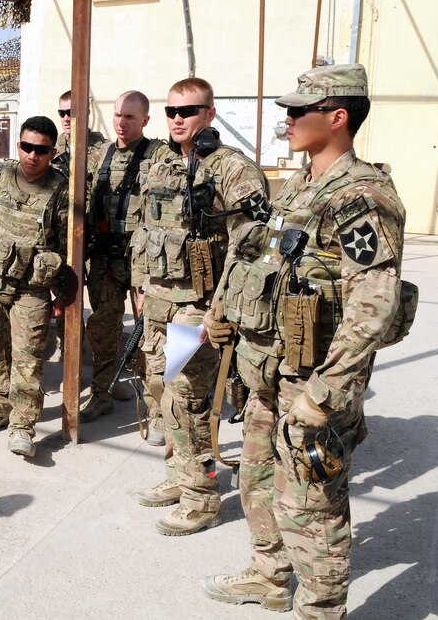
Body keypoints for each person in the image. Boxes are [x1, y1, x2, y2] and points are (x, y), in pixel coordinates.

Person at [201, 64, 407, 617]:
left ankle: (320, 609)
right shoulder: (299, 183)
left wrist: (327, 391)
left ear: (337, 118)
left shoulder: (363, 195)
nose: (286, 119)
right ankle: (270, 576)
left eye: (298, 111)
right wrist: (226, 314)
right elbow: (261, 257)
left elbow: (374, 304)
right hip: (267, 368)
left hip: (313, 381)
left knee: (314, 503)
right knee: (257, 478)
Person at [130, 77, 268, 535]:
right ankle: (180, 475)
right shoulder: (161, 165)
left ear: (209, 113)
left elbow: (250, 248)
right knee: (158, 388)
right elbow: (144, 233)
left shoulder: (232, 169)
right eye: (170, 111)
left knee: (186, 397)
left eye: (186, 111)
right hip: (159, 301)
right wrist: (141, 289)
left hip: (201, 305)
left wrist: (220, 311)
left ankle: (201, 497)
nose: (177, 119)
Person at [0, 116, 69, 458]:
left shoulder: (61, 190)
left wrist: (62, 294)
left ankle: (23, 425)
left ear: (52, 152)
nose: (32, 155)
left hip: (31, 289)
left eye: (41, 149)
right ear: (17, 145)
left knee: (28, 357)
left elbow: (68, 246)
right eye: (26, 146)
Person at [78, 91, 165, 423]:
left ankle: (155, 404)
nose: (121, 122)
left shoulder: (159, 156)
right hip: (104, 258)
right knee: (103, 328)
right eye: (117, 115)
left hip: (142, 260)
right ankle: (103, 392)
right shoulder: (99, 154)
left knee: (150, 332)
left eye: (130, 117)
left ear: (144, 119)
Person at [48, 88, 109, 363]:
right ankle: (69, 357)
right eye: (62, 112)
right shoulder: (53, 146)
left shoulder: (104, 148)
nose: (66, 118)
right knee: (64, 300)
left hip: (94, 239)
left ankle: (103, 370)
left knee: (103, 309)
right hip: (61, 236)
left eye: (71, 112)